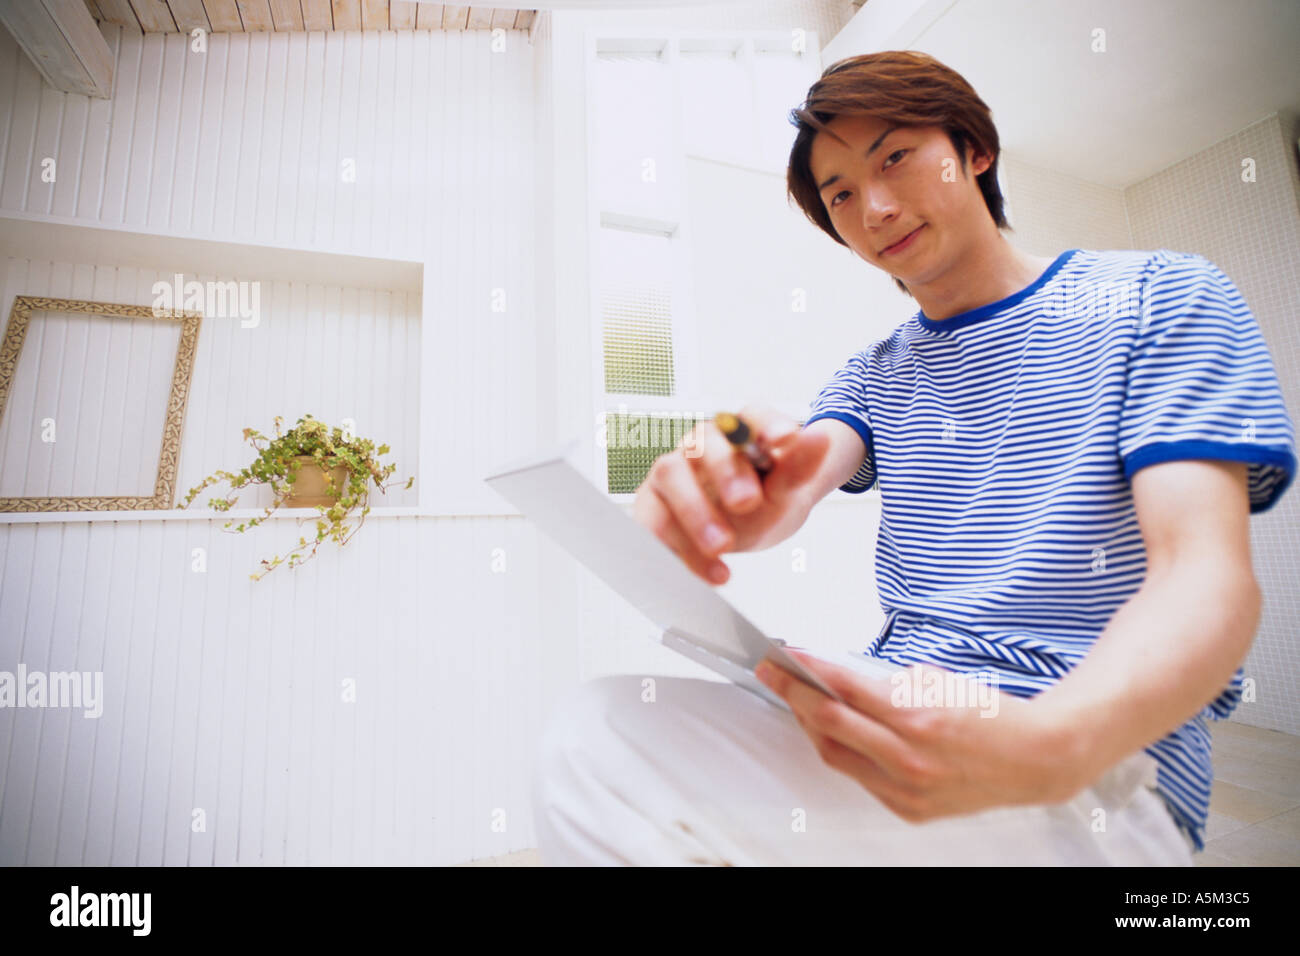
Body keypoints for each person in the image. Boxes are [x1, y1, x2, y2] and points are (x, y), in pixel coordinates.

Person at [529, 50, 1296, 865]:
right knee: (596, 733)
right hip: (902, 709)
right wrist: (745, 489)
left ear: (974, 150)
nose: (877, 208)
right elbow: (810, 460)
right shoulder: (875, 372)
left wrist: (1052, 741)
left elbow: (1204, 573)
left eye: (893, 157)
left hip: (1095, 757)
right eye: (843, 195)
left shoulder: (1158, 296)